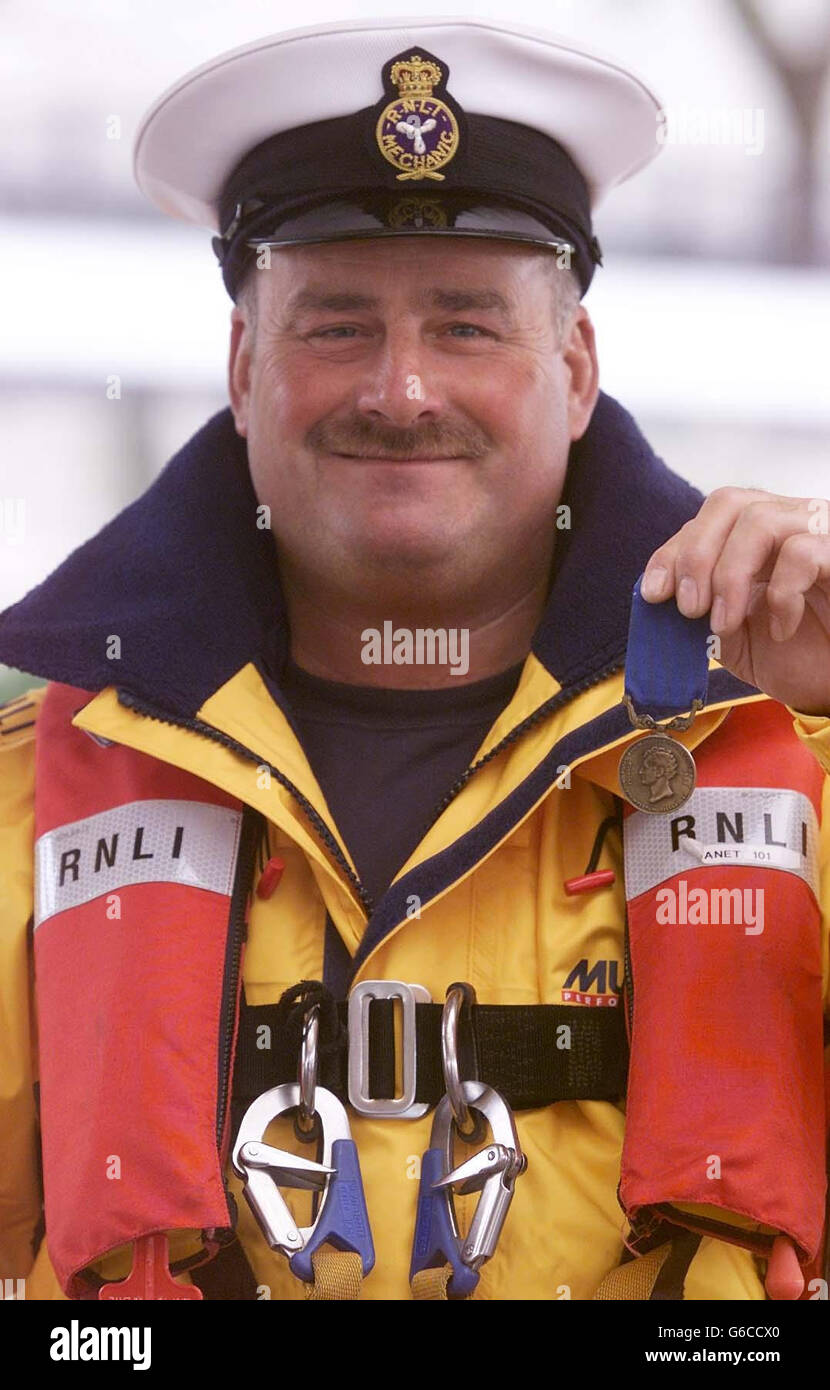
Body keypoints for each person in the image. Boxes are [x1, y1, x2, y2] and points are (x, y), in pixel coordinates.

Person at [1, 16, 829, 1304]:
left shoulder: (798, 753)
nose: (400, 390)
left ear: (574, 368)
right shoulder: (32, 793)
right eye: (335, 325)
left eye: (467, 326)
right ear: (241, 366)